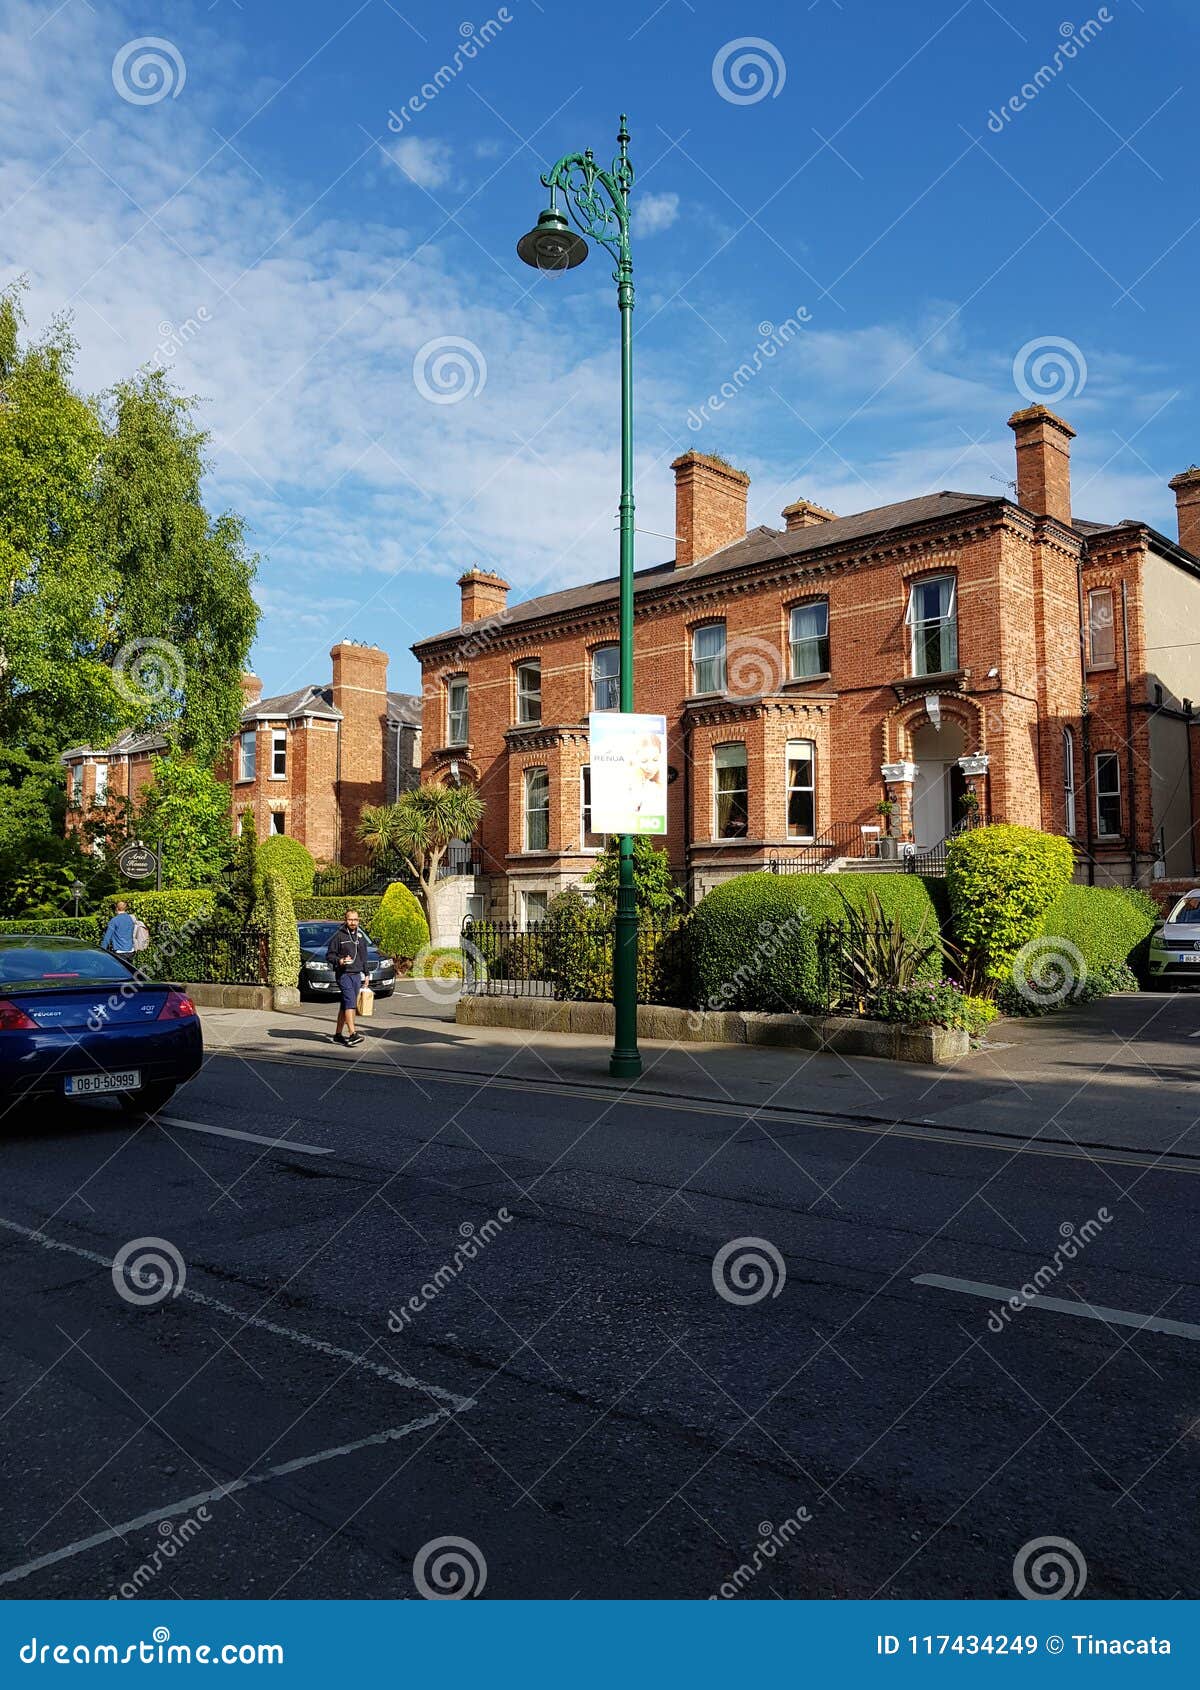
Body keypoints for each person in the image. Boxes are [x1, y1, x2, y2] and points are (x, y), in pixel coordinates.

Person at [326, 909, 369, 1047]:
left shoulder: (360, 937)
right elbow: (329, 955)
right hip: (344, 974)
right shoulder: (338, 936)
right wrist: (340, 961)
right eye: (350, 920)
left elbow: (363, 957)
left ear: (358, 921)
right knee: (351, 1002)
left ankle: (338, 1034)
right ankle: (352, 1034)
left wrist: (366, 974)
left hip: (356, 975)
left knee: (345, 1004)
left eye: (355, 920)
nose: (353, 922)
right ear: (346, 920)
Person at [101, 900, 138, 965]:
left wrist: (101, 951)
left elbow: (107, 938)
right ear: (125, 908)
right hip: (131, 951)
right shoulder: (131, 919)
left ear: (116, 908)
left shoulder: (114, 920)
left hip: (119, 952)